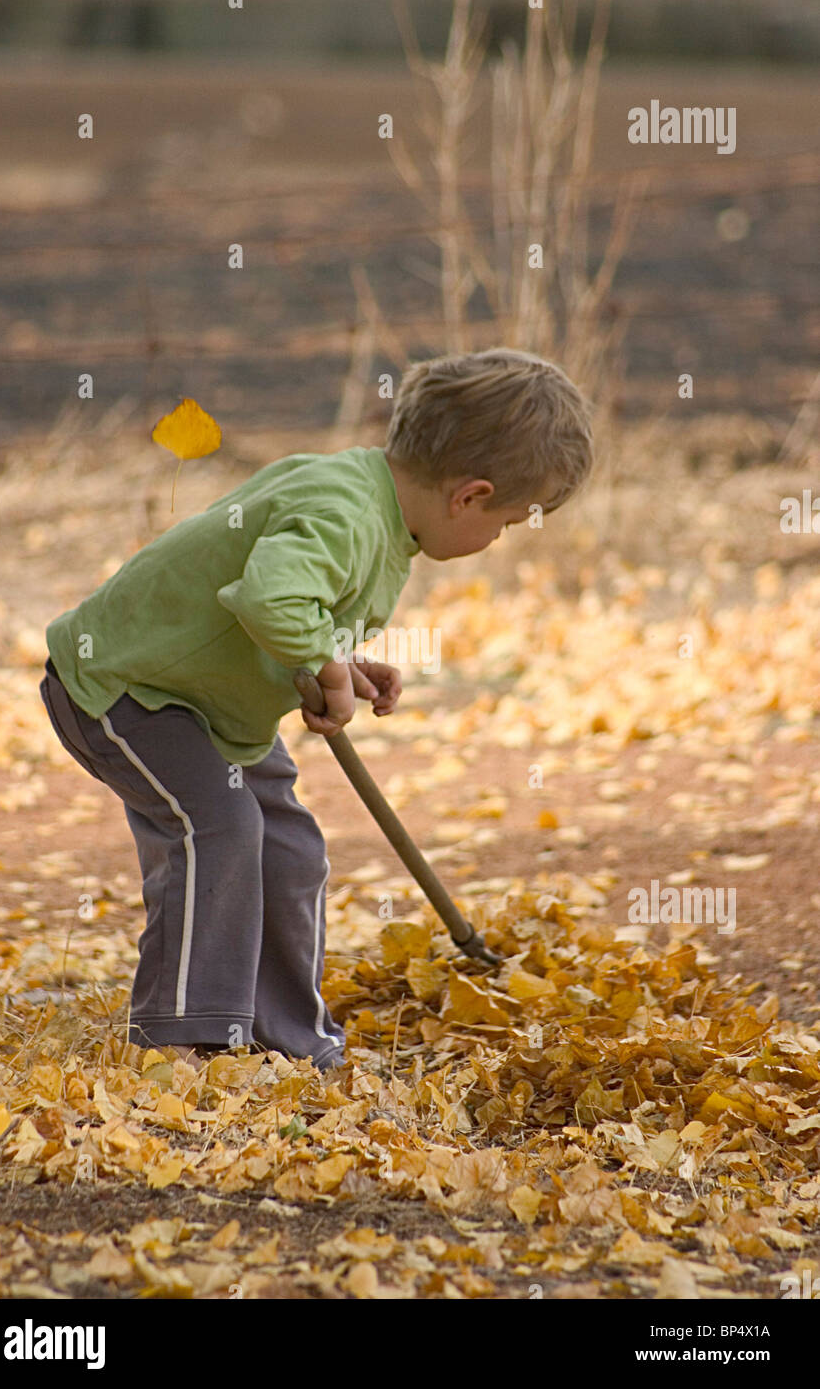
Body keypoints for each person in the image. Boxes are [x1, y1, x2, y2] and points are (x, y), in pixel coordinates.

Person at [39, 347, 593, 1074]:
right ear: (470, 496)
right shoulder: (346, 510)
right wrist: (325, 662)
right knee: (220, 826)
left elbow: (295, 601)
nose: (499, 539)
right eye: (510, 523)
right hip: (126, 688)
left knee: (292, 852)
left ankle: (285, 1035)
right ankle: (177, 1040)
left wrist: (342, 661)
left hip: (211, 706)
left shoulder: (375, 503)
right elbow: (270, 596)